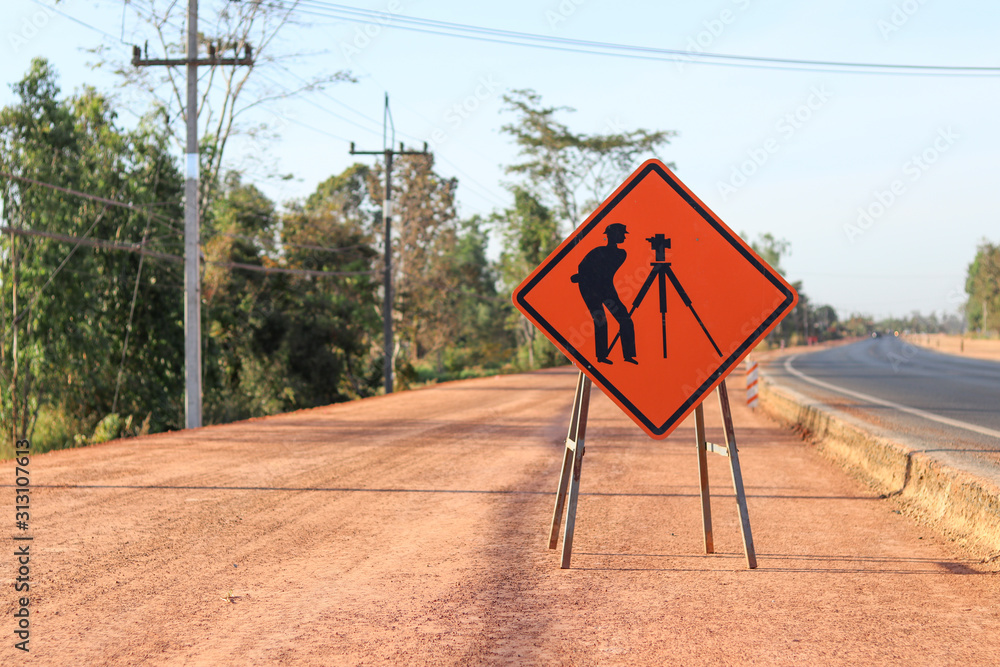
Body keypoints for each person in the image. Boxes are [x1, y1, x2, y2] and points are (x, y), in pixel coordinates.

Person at [571, 222, 637, 365]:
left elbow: (601, 270)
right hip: (590, 289)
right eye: (622, 234)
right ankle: (601, 357)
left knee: (625, 319)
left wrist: (585, 275)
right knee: (600, 320)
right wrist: (583, 277)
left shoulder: (620, 253)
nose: (624, 238)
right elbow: (582, 267)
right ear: (613, 235)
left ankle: (629, 355)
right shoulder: (597, 251)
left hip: (606, 288)